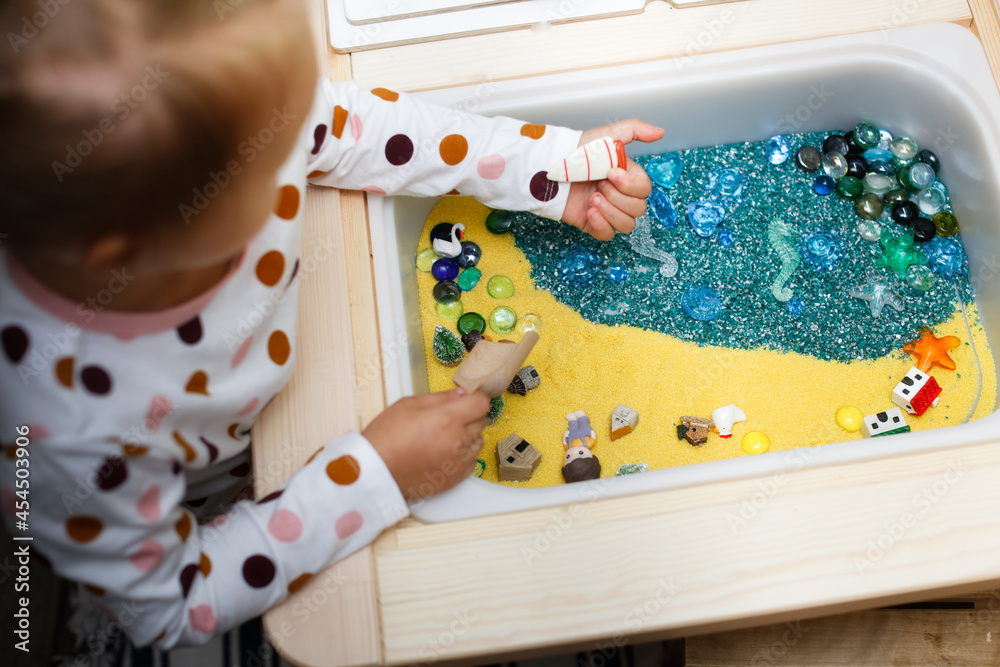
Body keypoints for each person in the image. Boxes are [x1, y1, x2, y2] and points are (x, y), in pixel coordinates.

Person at [0, 0, 662, 649]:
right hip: (193, 480)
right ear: (124, 255)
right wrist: (378, 475)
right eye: (268, 161)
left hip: (262, 397)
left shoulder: (238, 117)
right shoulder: (64, 434)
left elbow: (353, 127)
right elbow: (170, 606)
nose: (296, 139)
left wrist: (548, 170)